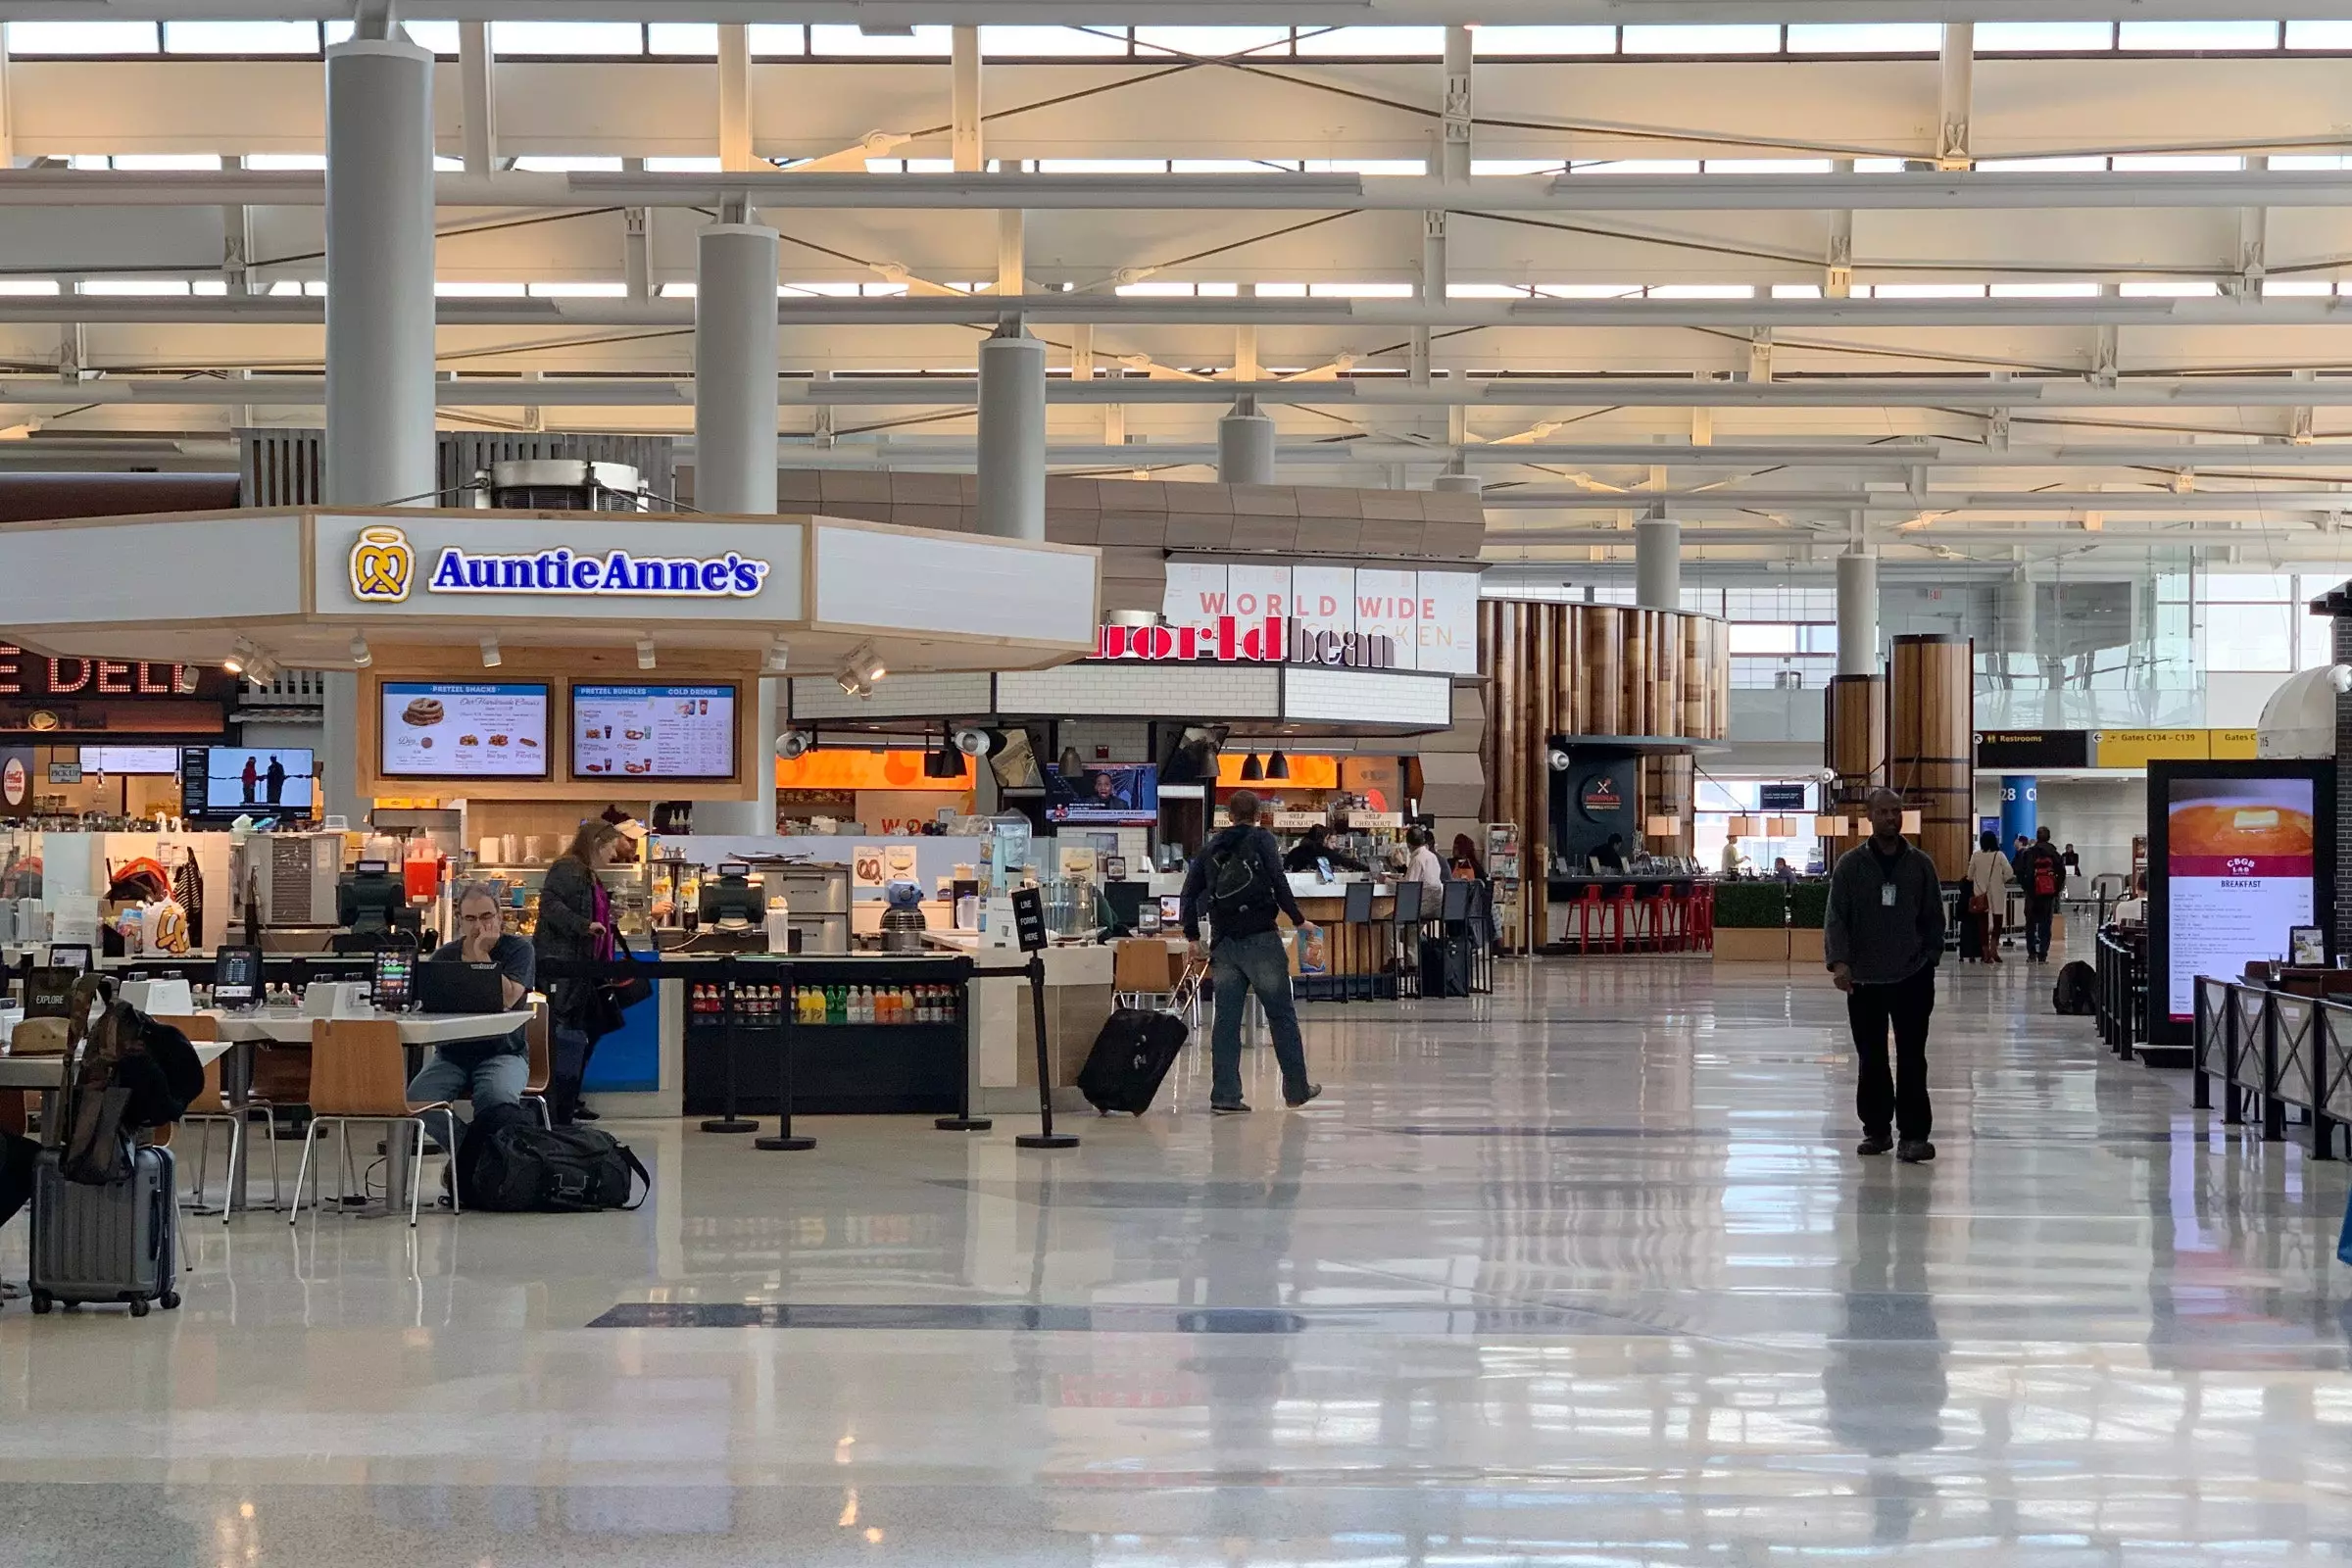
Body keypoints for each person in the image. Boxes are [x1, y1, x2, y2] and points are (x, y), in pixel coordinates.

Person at [1181, 789, 1322, 1115]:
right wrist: (1298, 919)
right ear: (1258, 814)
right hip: (1261, 939)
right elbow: (1278, 880)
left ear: (1228, 816)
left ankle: (1225, 1095)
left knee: (1226, 1021)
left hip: (1224, 943)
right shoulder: (1262, 840)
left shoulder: (1210, 847)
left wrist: (1191, 935)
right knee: (1281, 1016)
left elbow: (1188, 895)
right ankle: (1296, 1088)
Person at [1825, 787, 1946, 1164]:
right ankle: (1876, 1130)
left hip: (1912, 976)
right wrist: (1840, 963)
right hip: (1865, 981)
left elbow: (1934, 917)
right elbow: (1836, 917)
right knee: (1871, 1057)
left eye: (1897, 812)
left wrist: (1931, 958)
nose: (1891, 818)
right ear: (1870, 816)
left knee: (1912, 1057)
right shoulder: (1850, 865)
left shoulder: (1920, 864)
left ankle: (1914, 1135)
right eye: (1884, 812)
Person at [406, 883, 533, 1163]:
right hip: (452, 1055)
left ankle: (490, 1162)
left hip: (503, 1053)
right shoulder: (444, 957)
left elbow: (508, 999)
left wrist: (480, 955)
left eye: (486, 916)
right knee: (417, 1101)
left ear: (500, 916)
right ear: (460, 920)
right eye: (471, 919)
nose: (479, 925)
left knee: (496, 1098)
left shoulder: (518, 950)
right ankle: (474, 1158)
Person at [534, 818, 630, 1125]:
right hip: (565, 970)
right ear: (598, 843)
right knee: (569, 1037)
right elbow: (549, 904)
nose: (614, 855)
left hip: (584, 969)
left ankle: (568, 1101)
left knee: (586, 1032)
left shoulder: (587, 873)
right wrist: (583, 925)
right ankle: (559, 1106)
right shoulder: (569, 868)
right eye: (612, 847)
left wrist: (607, 915)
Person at [2013, 826, 2068, 963]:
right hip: (2048, 895)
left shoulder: (2029, 853)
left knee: (2030, 925)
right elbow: (2062, 873)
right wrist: (2056, 890)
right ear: (2049, 837)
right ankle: (2043, 954)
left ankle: (2031, 954)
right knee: (2045, 924)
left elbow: (2019, 871)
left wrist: (2026, 886)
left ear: (2037, 837)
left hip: (2032, 894)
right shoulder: (2054, 854)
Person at [1963, 829, 2013, 964]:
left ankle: (1985, 954)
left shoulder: (1976, 856)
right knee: (1997, 924)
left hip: (1980, 896)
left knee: (1982, 925)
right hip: (1997, 895)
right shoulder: (2000, 855)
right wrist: (2000, 879)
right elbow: (2009, 873)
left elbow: (1969, 875)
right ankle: (1993, 950)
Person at [1283, 822, 1367, 875]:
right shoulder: (1324, 852)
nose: (1334, 845)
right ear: (1323, 839)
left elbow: (1285, 868)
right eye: (1328, 839)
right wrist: (1367, 868)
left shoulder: (1295, 852)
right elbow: (1346, 862)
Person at [1405, 826, 1447, 898]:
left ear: (1408, 845)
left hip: (1423, 904)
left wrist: (1388, 881)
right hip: (1437, 903)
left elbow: (1407, 887)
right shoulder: (1433, 856)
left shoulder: (1417, 859)